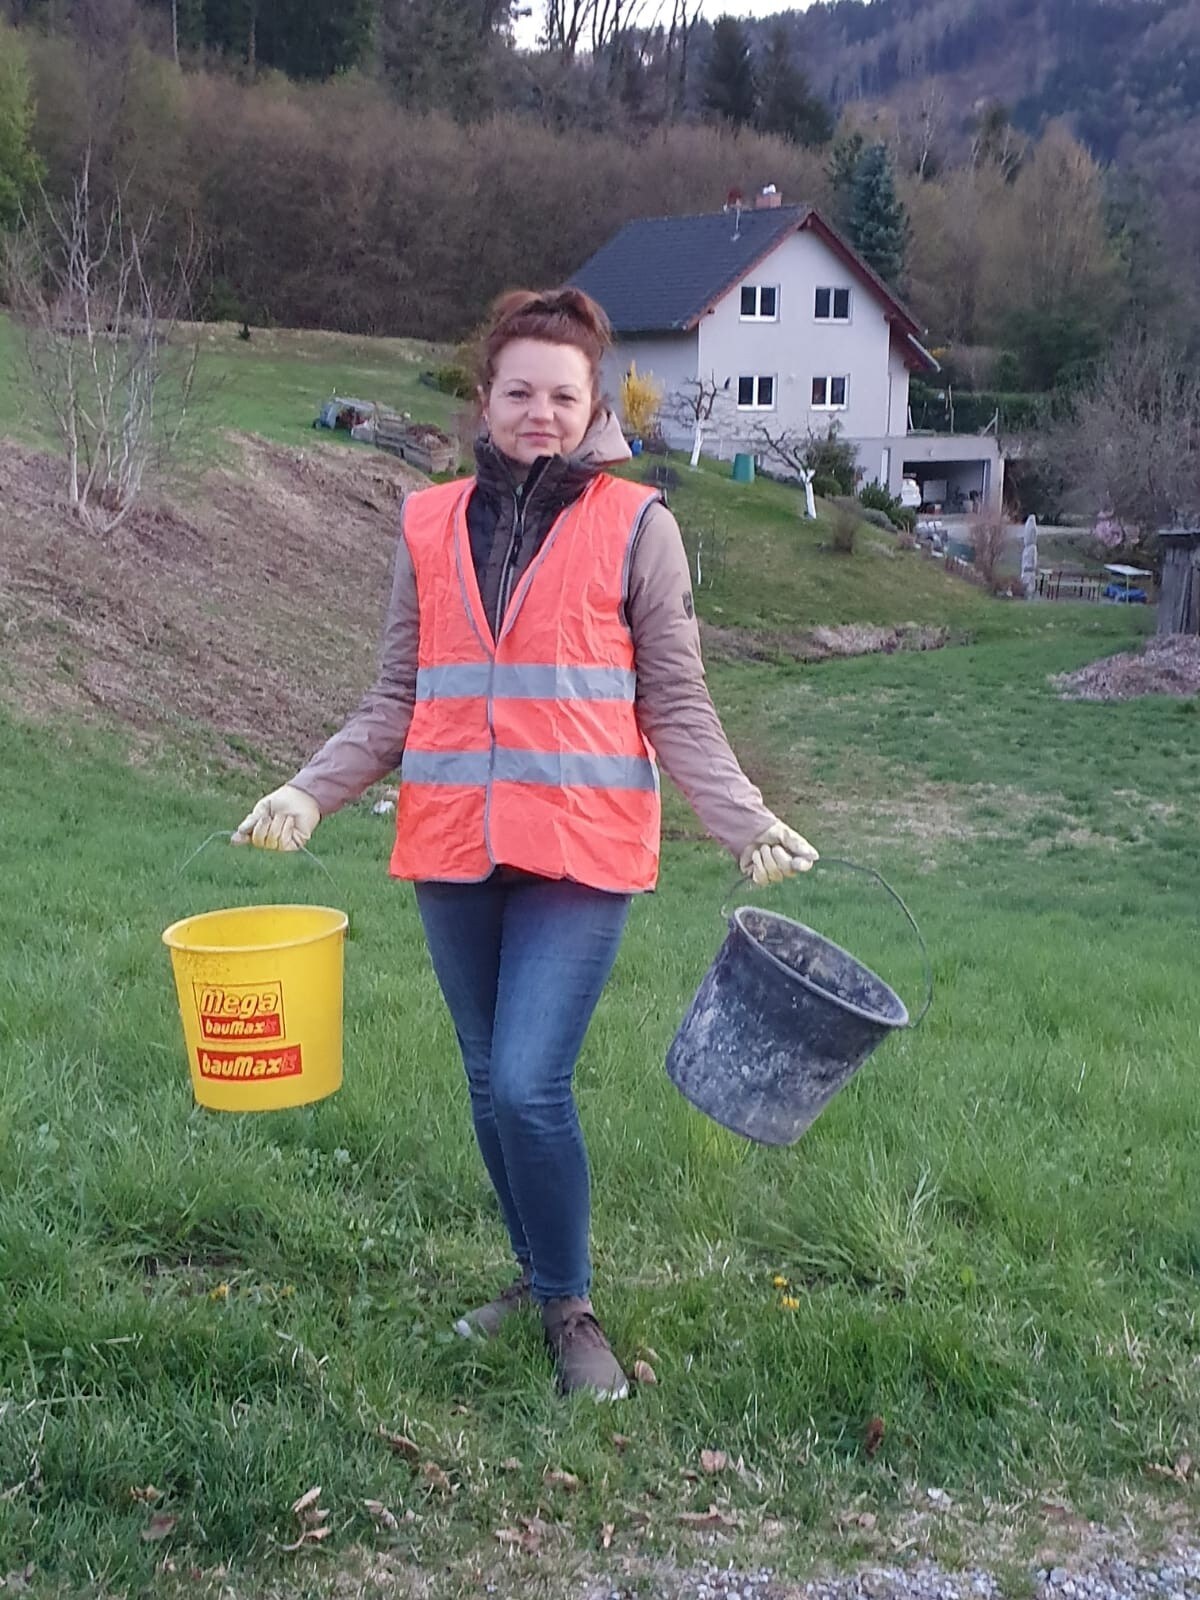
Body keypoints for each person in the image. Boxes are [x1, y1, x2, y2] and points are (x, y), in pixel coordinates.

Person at [235, 287, 817, 1401]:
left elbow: (678, 705)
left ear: (593, 404)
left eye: (563, 394)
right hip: (453, 845)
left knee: (527, 1080)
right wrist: (310, 792)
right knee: (484, 1081)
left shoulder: (639, 524)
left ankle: (570, 1306)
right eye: (519, 391)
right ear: (486, 399)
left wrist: (743, 820)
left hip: (582, 849)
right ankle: (536, 1273)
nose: (539, 412)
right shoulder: (427, 521)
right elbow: (396, 697)